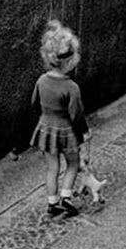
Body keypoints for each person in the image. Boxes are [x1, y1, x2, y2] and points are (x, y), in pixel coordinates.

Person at [31, 19, 90, 216]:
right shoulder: (71, 88)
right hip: (66, 132)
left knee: (51, 167)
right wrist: (84, 134)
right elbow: (76, 115)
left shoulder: (41, 80)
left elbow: (34, 103)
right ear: (70, 60)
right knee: (72, 163)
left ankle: (52, 202)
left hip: (46, 128)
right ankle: (66, 197)